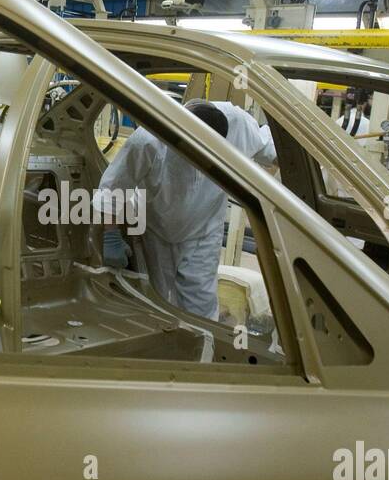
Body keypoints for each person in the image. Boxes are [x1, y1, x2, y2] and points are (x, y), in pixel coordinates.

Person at [97, 99, 276, 319]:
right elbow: (114, 187)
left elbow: (272, 148)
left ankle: (201, 348)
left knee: (201, 305)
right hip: (155, 227)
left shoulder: (239, 125)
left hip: (205, 228)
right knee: (159, 301)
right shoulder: (148, 140)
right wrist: (111, 235)